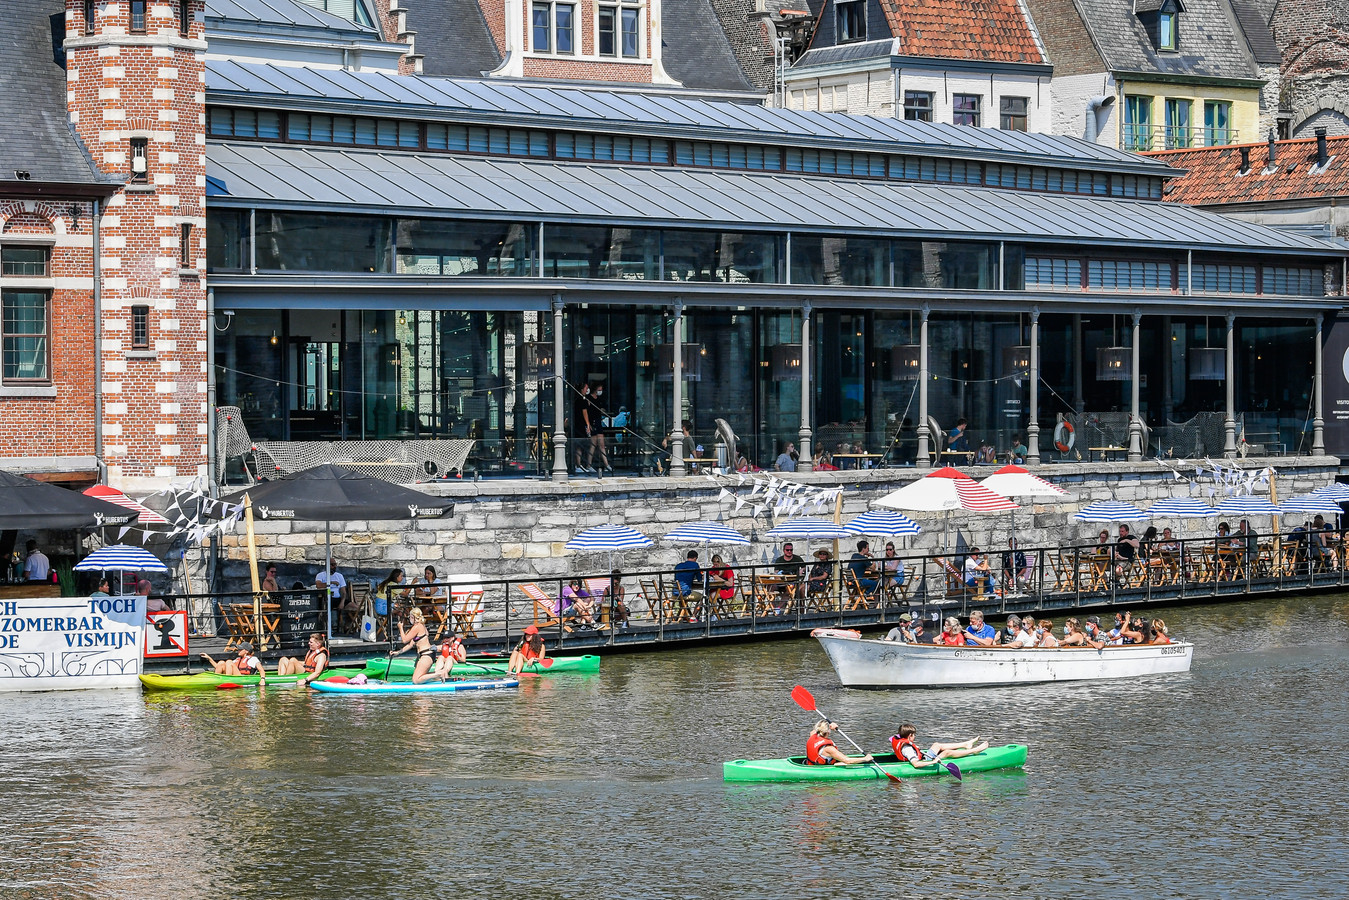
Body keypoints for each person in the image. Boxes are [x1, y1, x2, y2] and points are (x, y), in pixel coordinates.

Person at [890, 723, 988, 768]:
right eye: (914, 735)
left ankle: (966, 744)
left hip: (922, 757)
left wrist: (917, 750)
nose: (915, 737)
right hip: (923, 761)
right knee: (946, 753)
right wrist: (934, 761)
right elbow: (916, 764)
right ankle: (974, 751)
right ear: (910, 735)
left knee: (936, 745)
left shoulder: (902, 740)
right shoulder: (907, 749)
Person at [393, 606, 436, 684]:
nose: (409, 619)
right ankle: (438, 676)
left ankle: (439, 674)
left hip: (426, 655)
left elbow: (404, 640)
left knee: (416, 680)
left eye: (410, 617)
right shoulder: (420, 626)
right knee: (419, 677)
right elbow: (410, 645)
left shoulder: (417, 627)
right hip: (426, 655)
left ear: (413, 617)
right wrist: (398, 652)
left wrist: (400, 628)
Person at [805, 720, 874, 766]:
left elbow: (815, 730)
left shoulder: (813, 735)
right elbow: (847, 760)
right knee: (845, 763)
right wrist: (865, 758)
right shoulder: (829, 749)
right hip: (821, 769)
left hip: (811, 764)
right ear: (828, 732)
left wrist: (829, 725)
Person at [201, 643, 266, 682]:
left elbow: (261, 670)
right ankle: (215, 680)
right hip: (235, 676)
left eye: (240, 649)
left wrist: (262, 679)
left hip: (243, 678)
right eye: (238, 649)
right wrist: (209, 658)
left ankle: (227, 680)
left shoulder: (253, 659)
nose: (238, 651)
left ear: (246, 651)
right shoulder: (237, 659)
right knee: (221, 663)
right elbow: (218, 667)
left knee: (229, 661)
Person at [316, 559, 352, 623]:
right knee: (324, 606)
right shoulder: (320, 575)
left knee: (355, 607)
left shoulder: (339, 576)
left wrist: (342, 602)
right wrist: (331, 583)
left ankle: (349, 625)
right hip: (326, 598)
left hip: (337, 598)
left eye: (335, 565)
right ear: (327, 566)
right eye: (332, 565)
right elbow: (318, 585)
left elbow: (343, 592)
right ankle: (326, 626)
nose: (334, 566)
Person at [587, 381, 611, 473]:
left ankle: (606, 464)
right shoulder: (589, 398)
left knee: (602, 444)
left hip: (598, 422)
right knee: (593, 444)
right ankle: (588, 464)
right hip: (592, 422)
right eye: (599, 388)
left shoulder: (600, 399)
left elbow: (601, 408)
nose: (601, 390)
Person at [572, 382, 593, 472]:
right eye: (586, 388)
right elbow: (585, 413)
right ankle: (578, 465)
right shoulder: (582, 400)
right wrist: (588, 424)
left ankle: (578, 464)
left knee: (578, 445)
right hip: (580, 424)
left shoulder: (576, 399)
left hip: (576, 423)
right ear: (582, 389)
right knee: (580, 445)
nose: (587, 390)